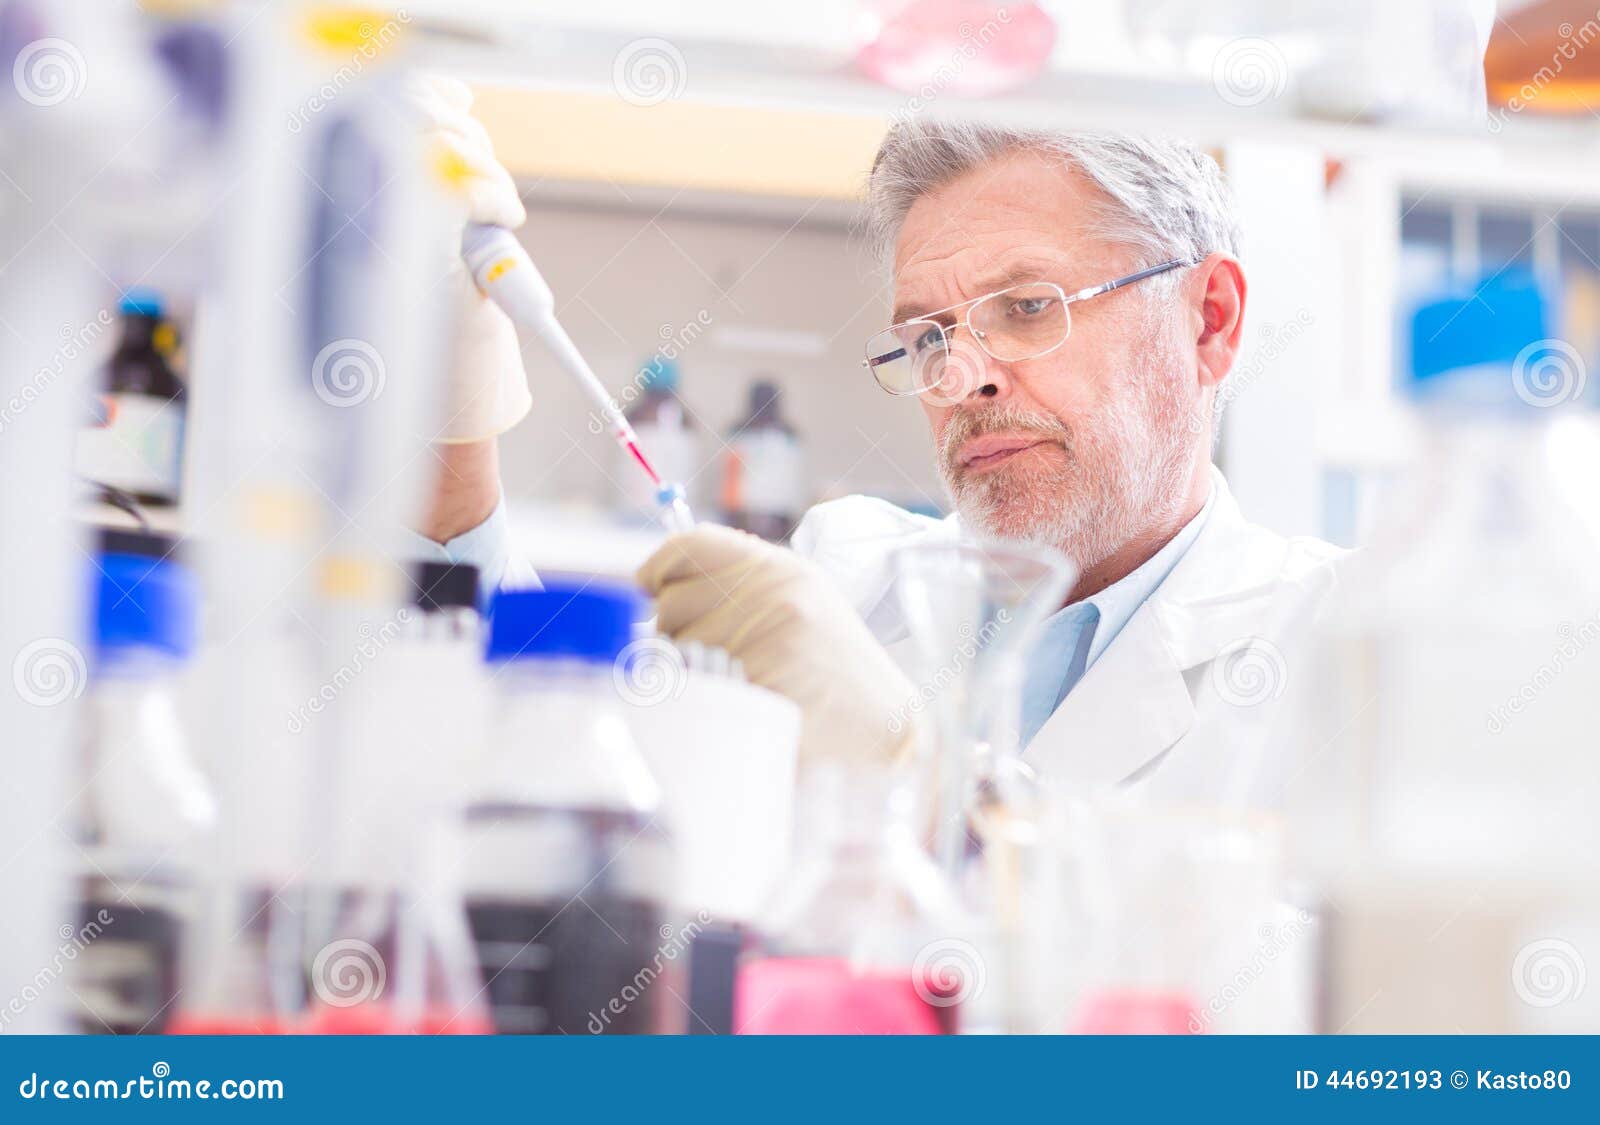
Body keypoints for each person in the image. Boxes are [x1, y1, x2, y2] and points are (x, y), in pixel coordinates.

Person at [417, 102, 1343, 802]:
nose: (961, 378)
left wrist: (909, 761)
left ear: (1210, 321)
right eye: (930, 337)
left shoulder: (1333, 648)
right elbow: (569, 757)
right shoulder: (846, 575)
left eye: (1026, 308)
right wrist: (449, 423)